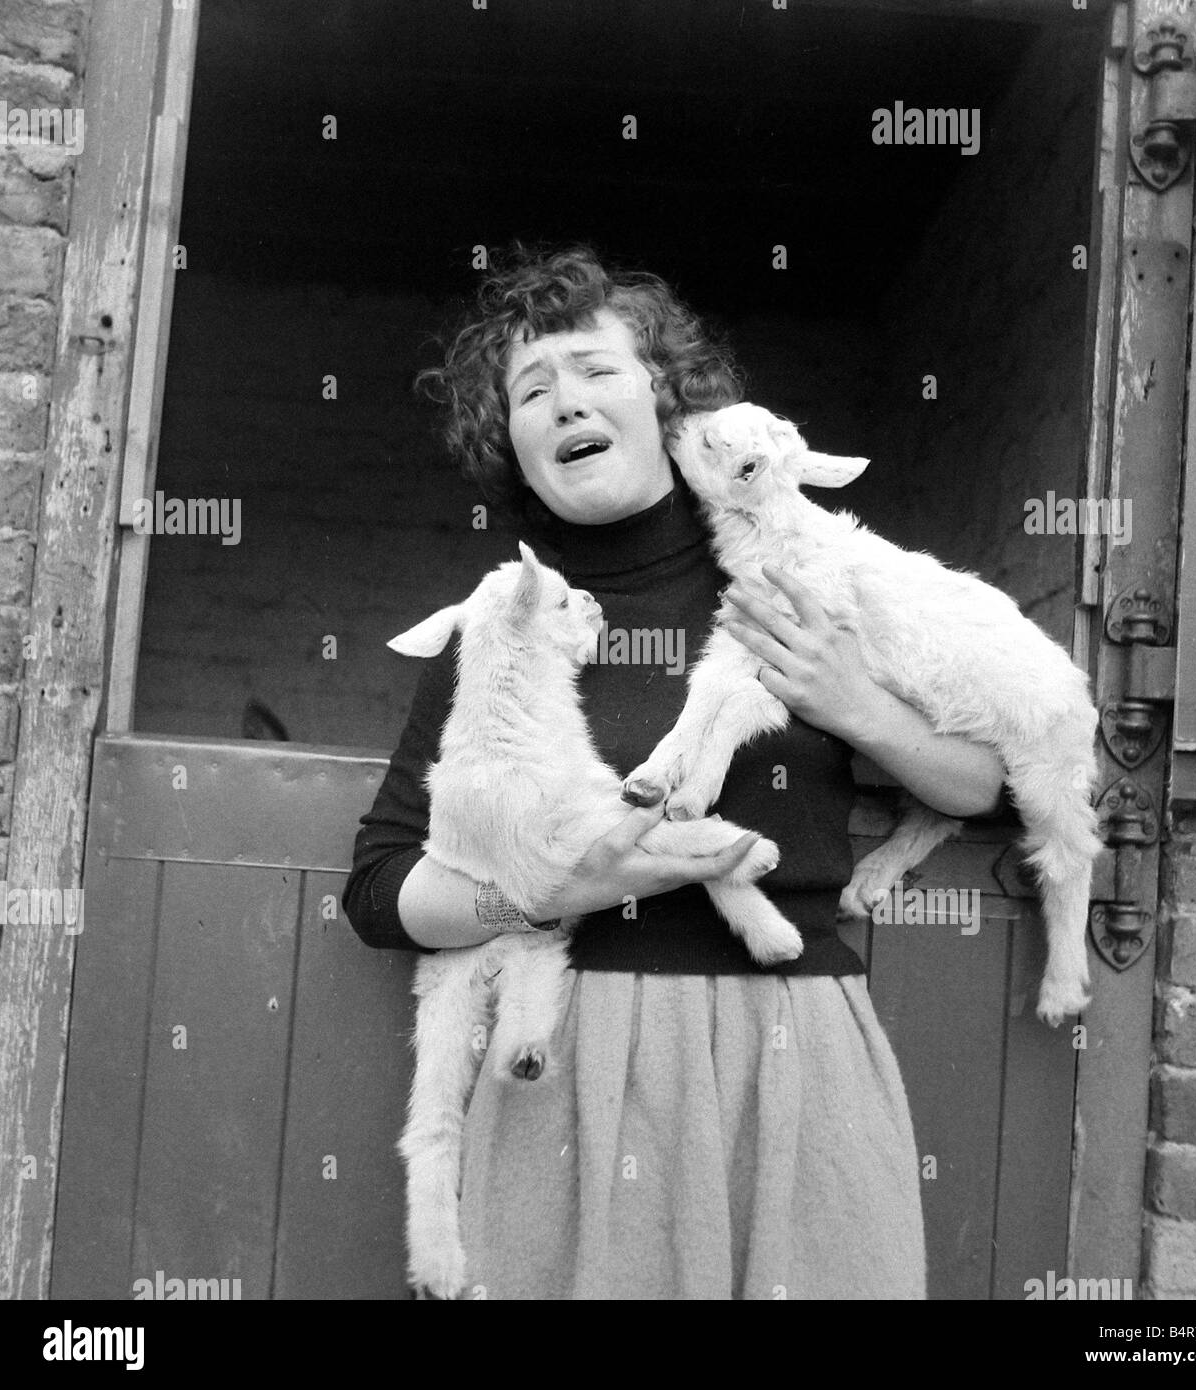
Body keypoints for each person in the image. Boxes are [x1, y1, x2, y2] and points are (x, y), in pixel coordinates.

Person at [343, 245, 1006, 1300]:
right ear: (509, 444)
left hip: (787, 1053)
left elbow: (978, 783)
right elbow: (378, 888)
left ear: (665, 398)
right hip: (562, 1062)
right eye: (530, 389)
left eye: (595, 369)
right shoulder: (502, 623)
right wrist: (546, 891)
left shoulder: (793, 573)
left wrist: (853, 702)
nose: (566, 402)